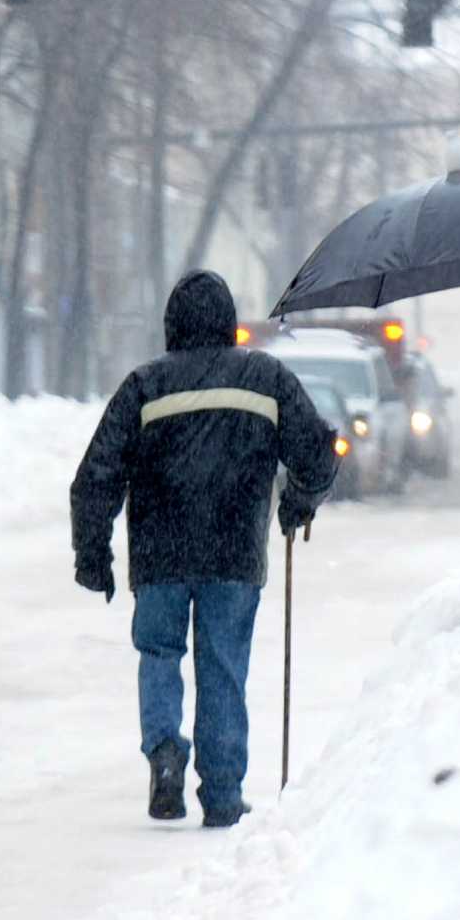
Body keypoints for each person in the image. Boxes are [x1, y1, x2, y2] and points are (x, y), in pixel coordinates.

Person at [70, 270, 340, 828]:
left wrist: (92, 552)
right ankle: (221, 793)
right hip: (233, 554)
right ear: (229, 323)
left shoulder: (144, 386)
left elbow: (96, 475)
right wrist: (301, 500)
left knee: (160, 654)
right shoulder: (265, 379)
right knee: (222, 667)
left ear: (172, 325)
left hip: (160, 555)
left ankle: (165, 754)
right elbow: (317, 451)